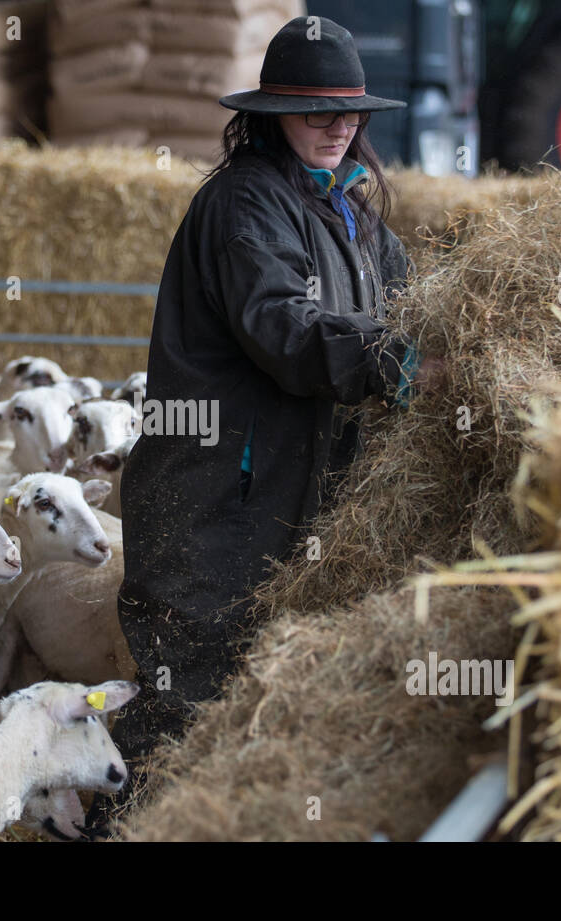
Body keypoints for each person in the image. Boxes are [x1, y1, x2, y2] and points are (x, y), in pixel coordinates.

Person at [102, 15, 442, 824]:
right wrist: (401, 365)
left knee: (264, 721)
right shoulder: (243, 207)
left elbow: (411, 308)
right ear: (268, 113)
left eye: (350, 111)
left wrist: (463, 335)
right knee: (186, 714)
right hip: (216, 507)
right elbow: (285, 328)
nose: (338, 126)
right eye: (315, 110)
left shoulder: (354, 218)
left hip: (294, 504)